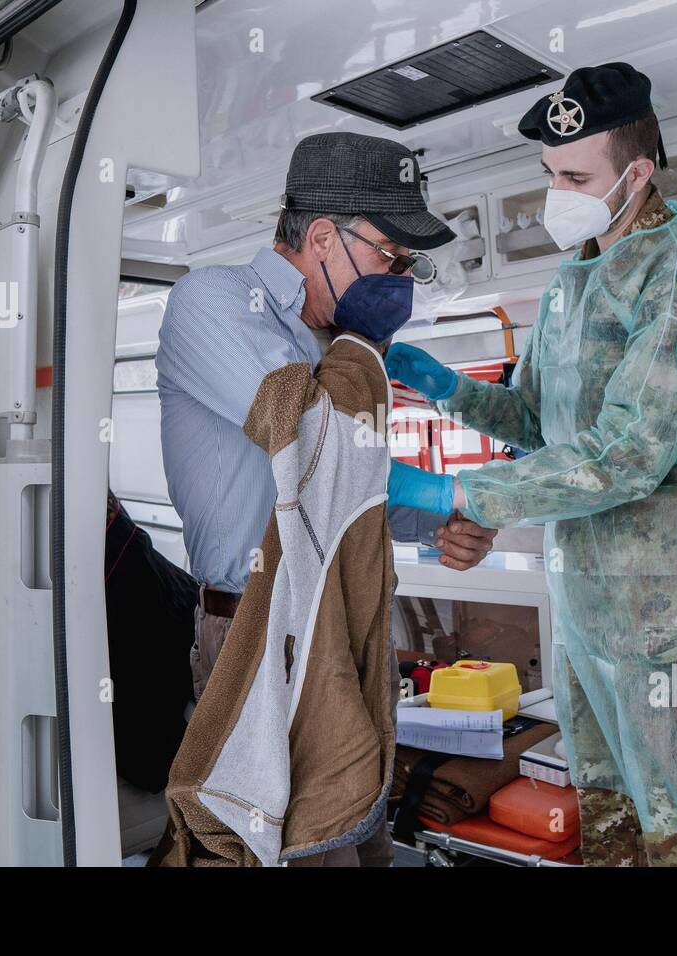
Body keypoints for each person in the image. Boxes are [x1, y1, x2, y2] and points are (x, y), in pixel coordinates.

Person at [385, 63, 677, 866]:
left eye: (576, 175)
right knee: (607, 826)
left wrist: (454, 488)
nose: (556, 194)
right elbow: (541, 423)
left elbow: (628, 453)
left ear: (637, 174)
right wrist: (449, 391)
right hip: (590, 612)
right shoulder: (573, 280)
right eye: (549, 174)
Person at [155, 131, 498, 866]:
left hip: (348, 631)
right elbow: (312, 443)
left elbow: (354, 488)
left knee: (359, 839)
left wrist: (444, 519)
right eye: (390, 255)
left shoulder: (335, 341)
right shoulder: (214, 302)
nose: (401, 275)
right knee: (289, 848)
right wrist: (455, 483)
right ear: (320, 237)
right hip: (257, 635)